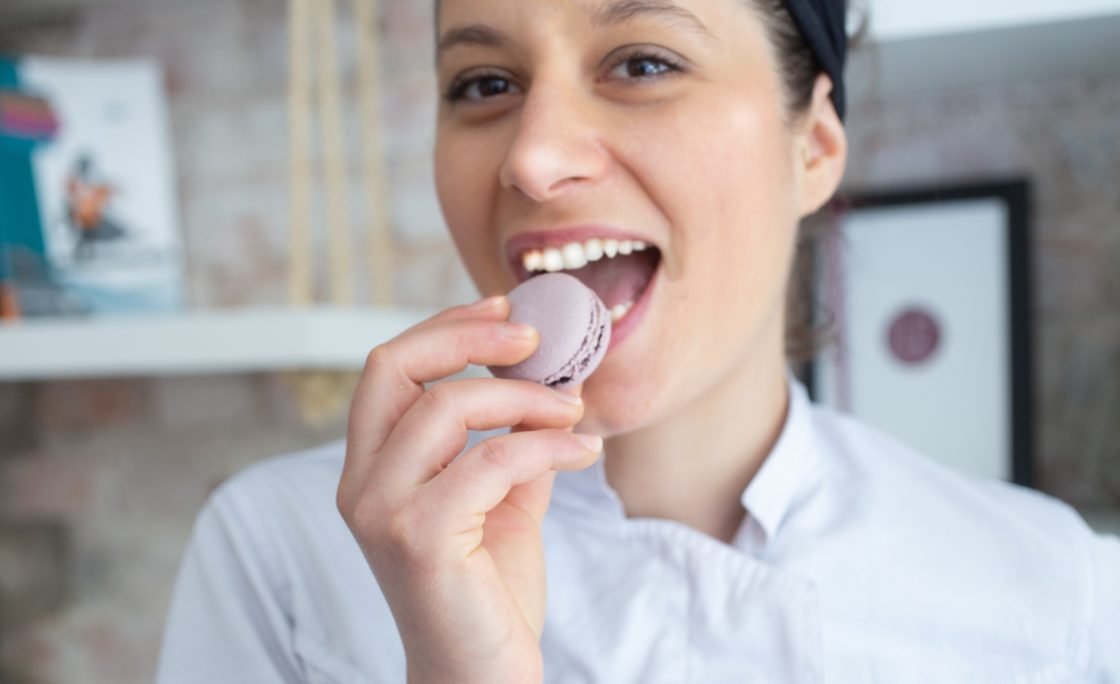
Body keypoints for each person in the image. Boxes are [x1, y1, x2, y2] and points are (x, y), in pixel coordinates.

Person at [157, 0, 1120, 681]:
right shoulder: (279, 549)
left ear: (815, 145)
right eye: (484, 81)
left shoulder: (1052, 590)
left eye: (644, 62)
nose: (532, 158)